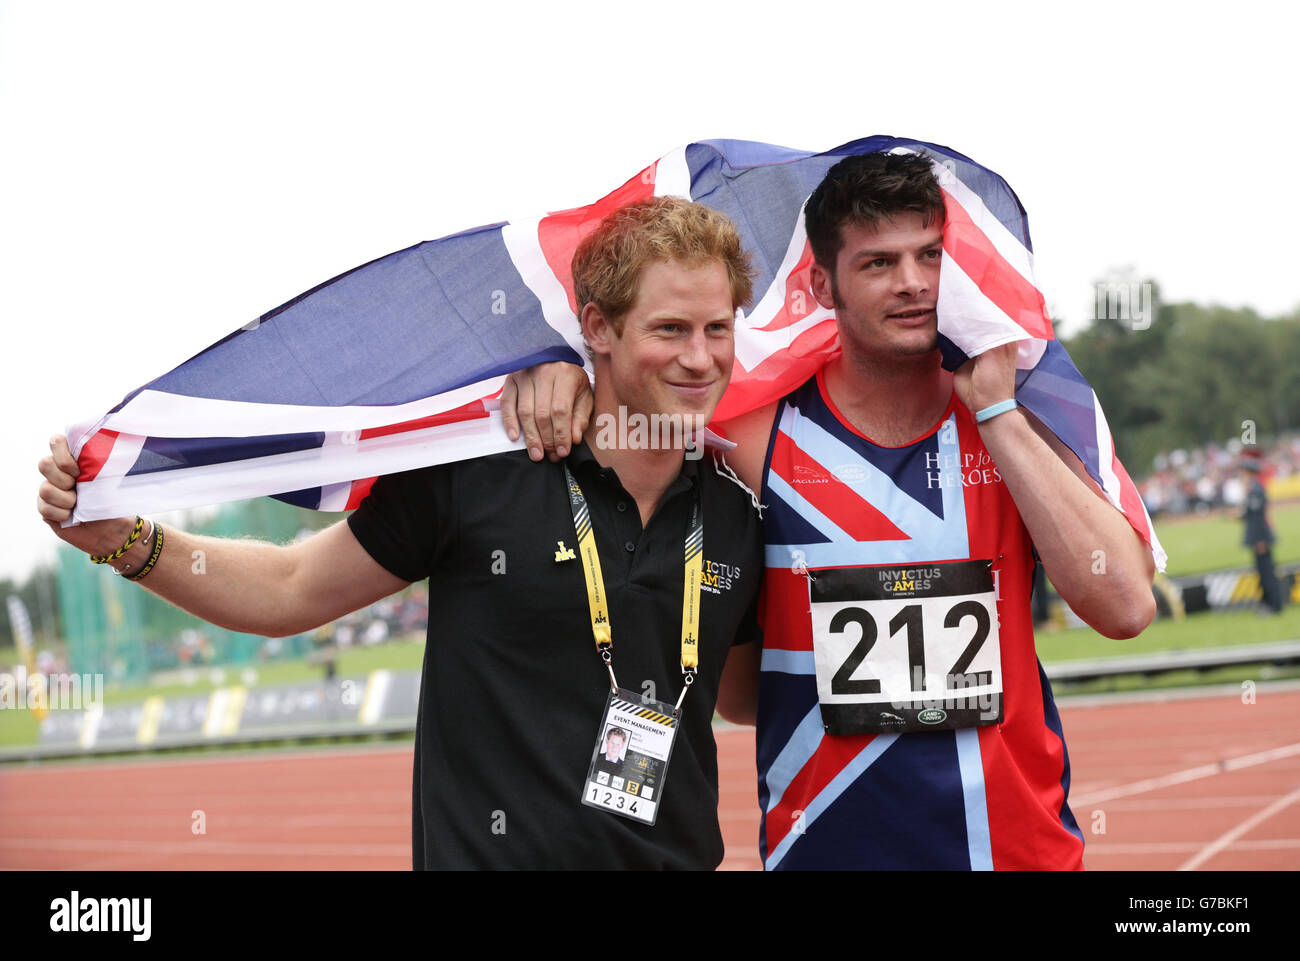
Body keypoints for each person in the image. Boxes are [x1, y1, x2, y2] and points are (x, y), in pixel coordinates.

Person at [37, 196, 765, 870]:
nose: (700, 358)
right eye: (670, 328)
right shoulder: (477, 472)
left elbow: (739, 698)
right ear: (599, 328)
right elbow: (290, 590)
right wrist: (127, 539)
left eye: (717, 329)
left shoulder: (738, 514)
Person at [511, 153, 1158, 870]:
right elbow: (633, 390)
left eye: (931, 256)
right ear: (822, 284)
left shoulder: (1025, 418)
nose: (913, 282)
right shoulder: (747, 433)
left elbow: (1125, 607)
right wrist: (561, 366)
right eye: (878, 262)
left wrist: (999, 412)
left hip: (1012, 851)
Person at [1241, 453, 1282, 614]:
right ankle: (1268, 603)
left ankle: (1274, 605)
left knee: (1267, 572)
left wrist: (1260, 540)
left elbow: (1258, 516)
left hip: (1261, 538)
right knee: (1262, 570)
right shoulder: (1252, 489)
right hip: (1258, 537)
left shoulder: (1256, 489)